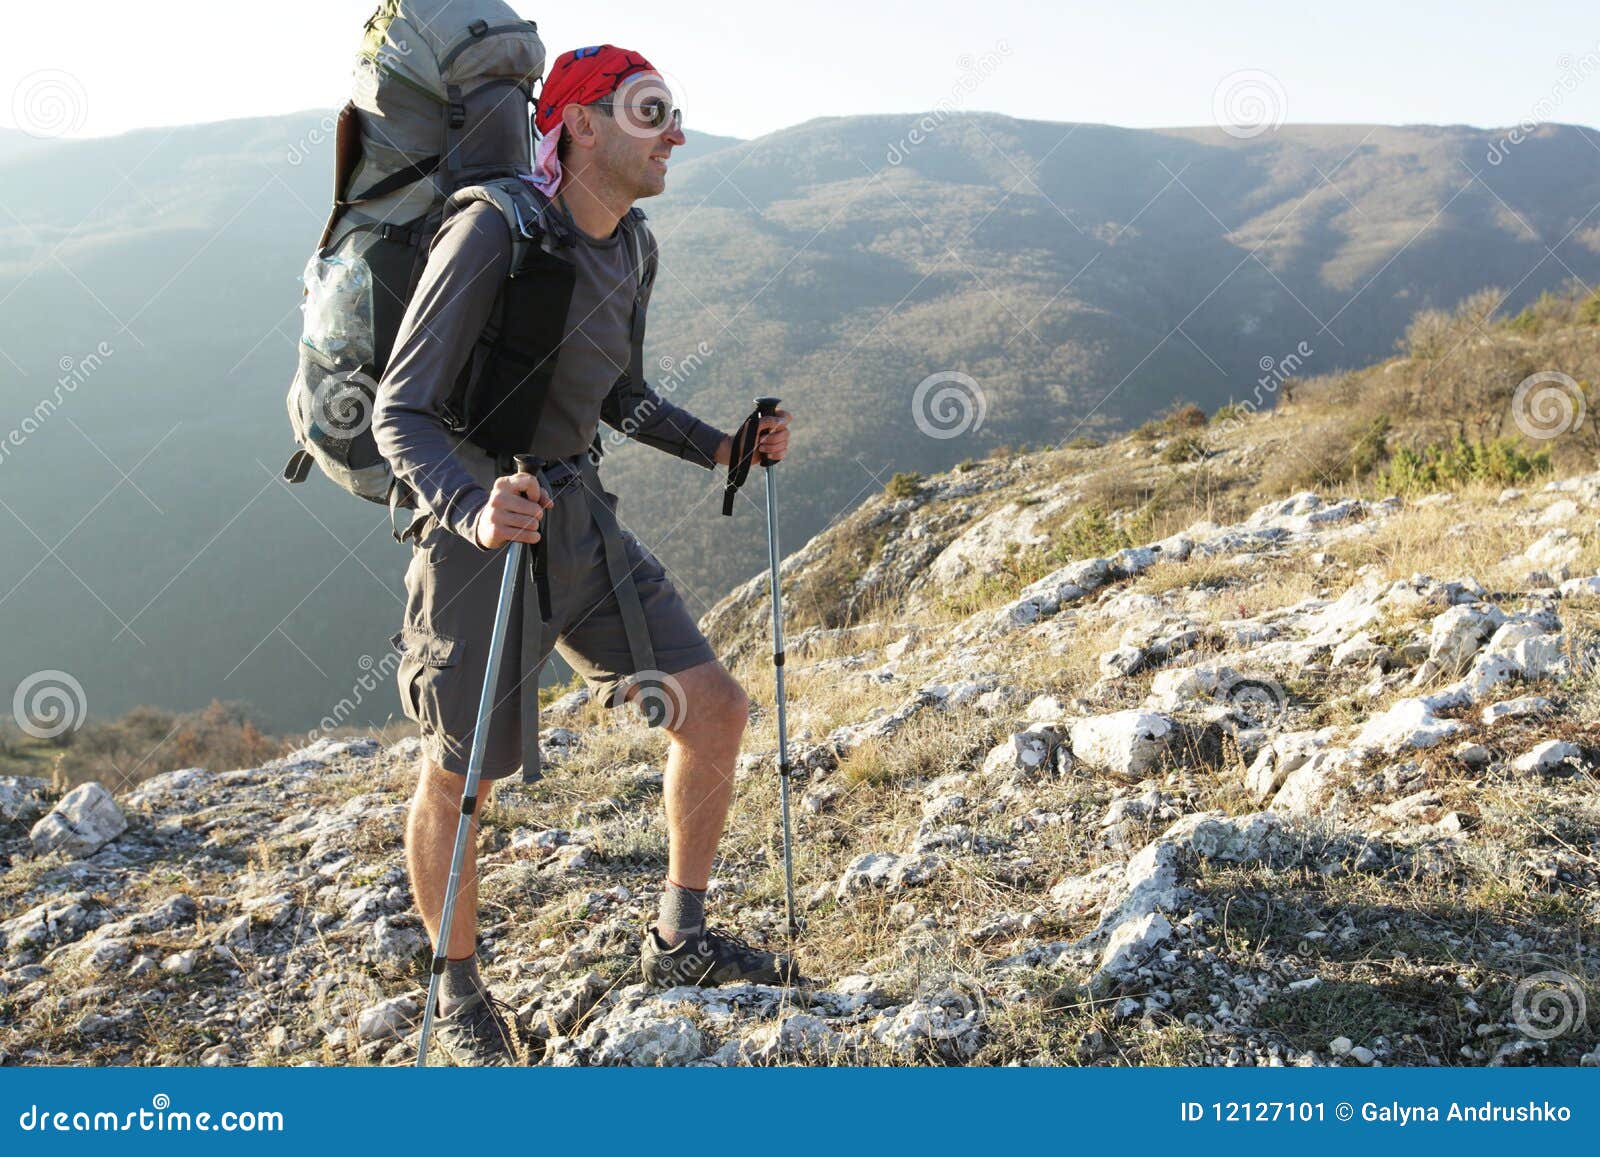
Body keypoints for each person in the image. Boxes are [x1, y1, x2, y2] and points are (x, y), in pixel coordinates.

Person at [372, 44, 795, 1066]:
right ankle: (459, 993)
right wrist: (472, 508)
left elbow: (621, 396)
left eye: (674, 111)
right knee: (461, 773)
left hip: (578, 516)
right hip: (480, 534)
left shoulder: (633, 246)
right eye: (650, 111)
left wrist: (722, 448)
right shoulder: (490, 232)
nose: (676, 134)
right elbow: (399, 409)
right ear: (579, 123)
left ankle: (680, 938)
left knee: (714, 708)